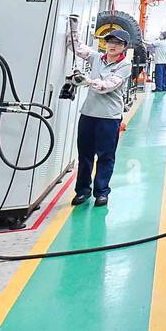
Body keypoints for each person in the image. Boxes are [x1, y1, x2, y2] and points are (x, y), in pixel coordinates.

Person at [68, 21, 134, 208]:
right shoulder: (97, 57)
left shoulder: (125, 65)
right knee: (85, 155)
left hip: (109, 117)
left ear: (124, 48)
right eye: (109, 42)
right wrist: (73, 26)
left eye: (118, 43)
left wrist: (87, 80)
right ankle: (82, 191)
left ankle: (102, 192)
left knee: (106, 156)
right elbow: (76, 47)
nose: (112, 46)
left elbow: (108, 86)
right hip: (88, 114)